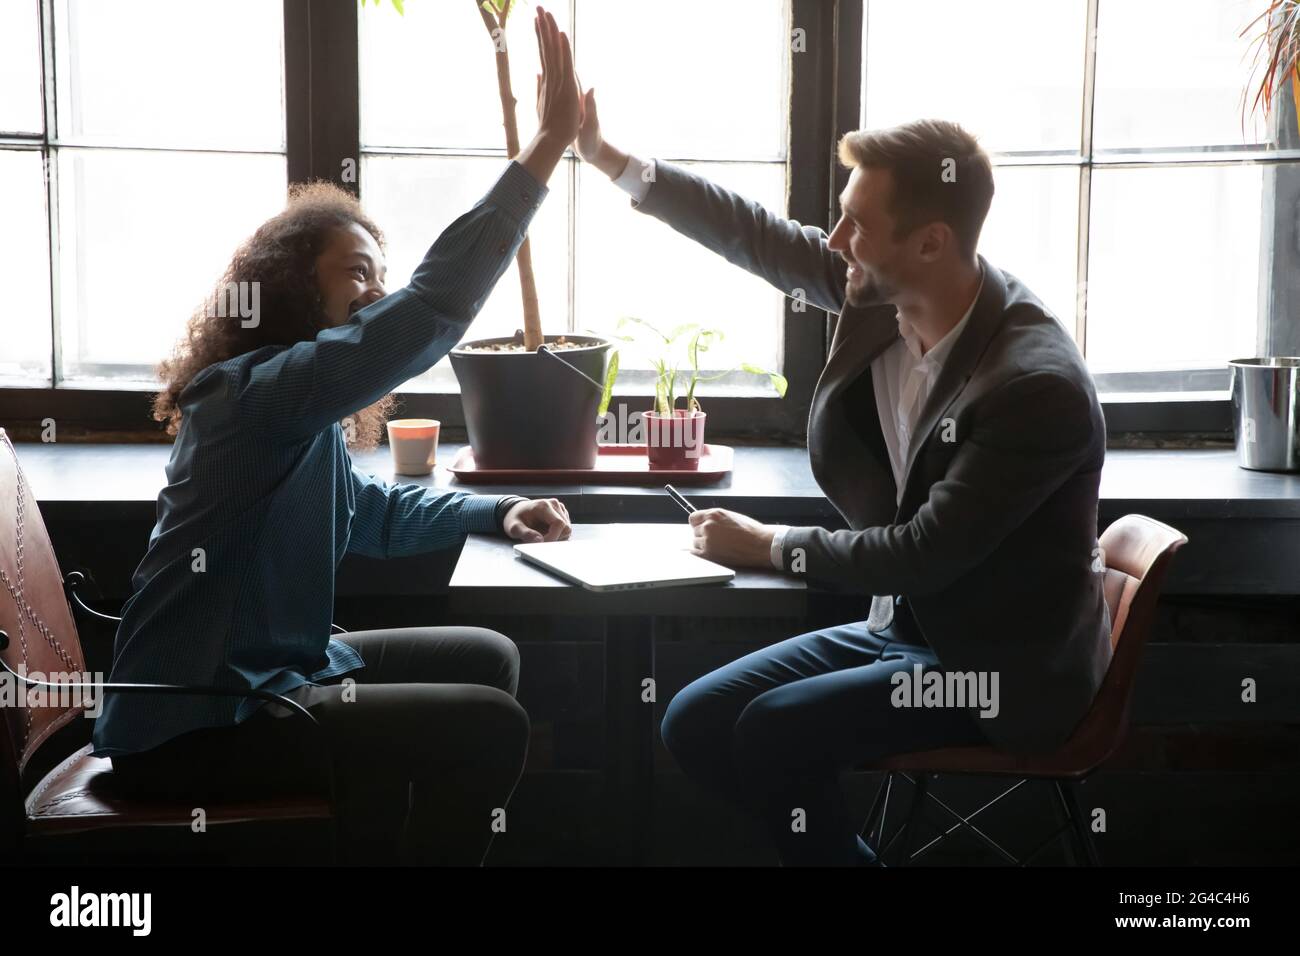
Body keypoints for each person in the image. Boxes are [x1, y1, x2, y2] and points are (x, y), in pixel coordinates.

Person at [92, 7, 582, 867]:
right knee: (488, 724)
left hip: (273, 683)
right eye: (356, 275)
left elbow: (371, 516)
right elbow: (428, 311)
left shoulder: (297, 409)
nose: (373, 295)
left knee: (489, 659)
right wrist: (542, 152)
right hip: (196, 724)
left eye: (377, 277)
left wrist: (494, 513)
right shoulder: (253, 399)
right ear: (287, 290)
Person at [575, 96, 1111, 866]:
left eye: (857, 223)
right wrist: (606, 156)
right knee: (693, 722)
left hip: (994, 675)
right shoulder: (882, 289)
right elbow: (754, 235)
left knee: (772, 731)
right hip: (901, 631)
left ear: (930, 242)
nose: (835, 242)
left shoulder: (1033, 387)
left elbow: (922, 553)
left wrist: (771, 546)